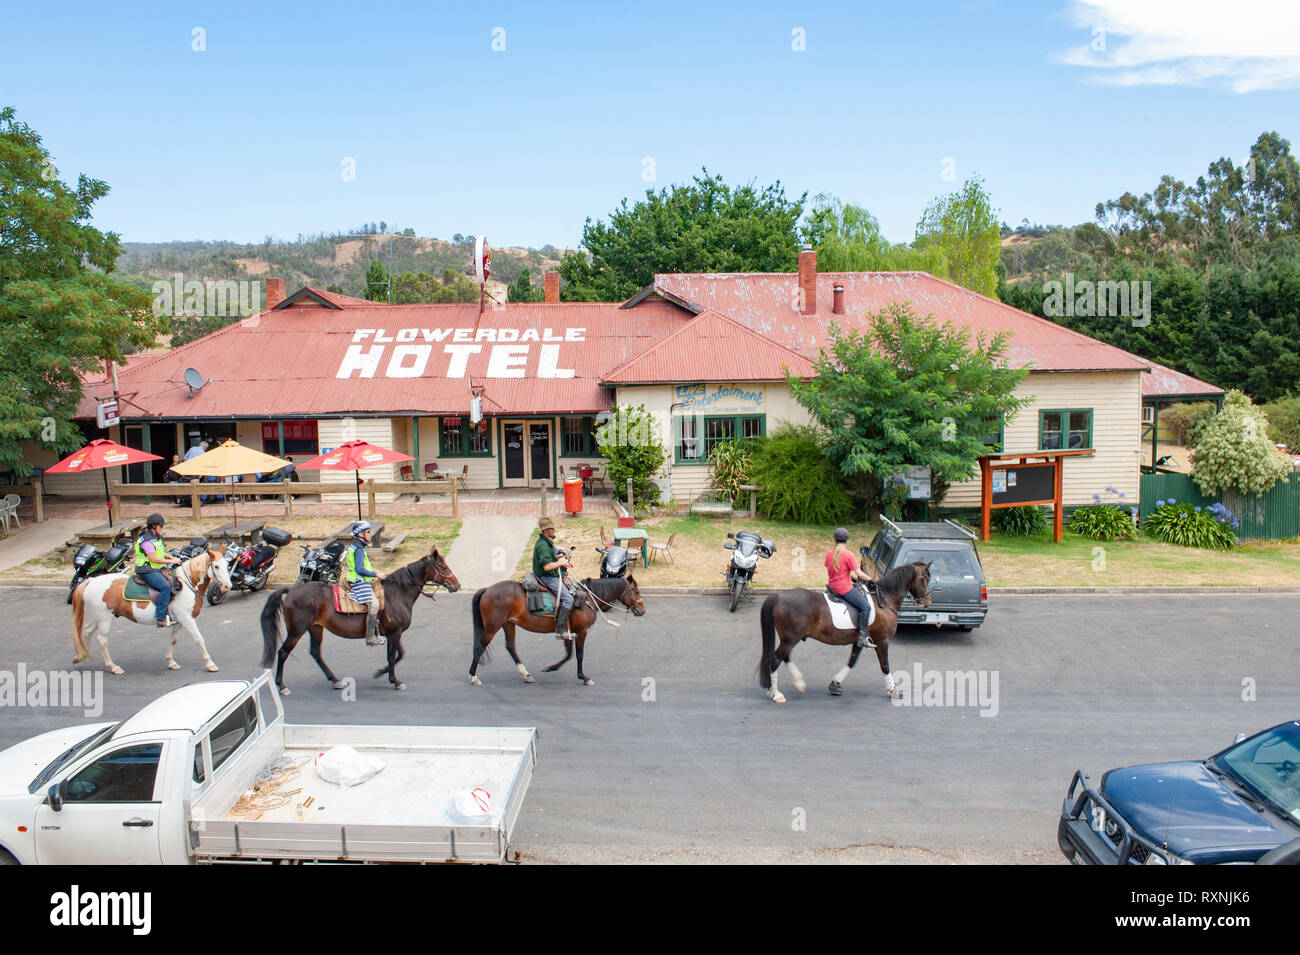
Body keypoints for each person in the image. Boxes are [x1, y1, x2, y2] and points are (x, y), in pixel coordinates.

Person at [825, 527, 876, 649]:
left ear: (835, 539)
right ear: (847, 540)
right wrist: (871, 580)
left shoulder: (829, 553)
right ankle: (862, 638)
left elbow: (834, 571)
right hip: (844, 589)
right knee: (866, 607)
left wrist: (849, 576)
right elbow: (860, 574)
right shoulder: (849, 555)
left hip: (832, 586)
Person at [134, 513, 183, 628]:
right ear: (154, 526)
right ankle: (160, 618)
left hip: (154, 567)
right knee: (165, 587)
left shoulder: (155, 538)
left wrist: (170, 557)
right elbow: (153, 558)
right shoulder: (146, 541)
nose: (162, 528)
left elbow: (159, 552)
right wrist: (171, 562)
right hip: (145, 569)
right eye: (161, 526)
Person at [532, 516, 574, 639]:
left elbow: (550, 559)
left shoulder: (546, 542)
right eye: (550, 528)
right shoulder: (543, 546)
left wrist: (558, 557)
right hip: (547, 577)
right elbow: (546, 566)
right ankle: (560, 630)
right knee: (568, 599)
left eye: (552, 528)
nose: (553, 530)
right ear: (544, 530)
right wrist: (560, 563)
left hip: (551, 573)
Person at [343, 521, 384, 647]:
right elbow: (360, 569)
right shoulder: (359, 549)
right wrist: (375, 574)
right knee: (375, 605)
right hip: (359, 581)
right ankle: (370, 637)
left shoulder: (355, 546)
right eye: (367, 532)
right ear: (360, 534)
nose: (370, 534)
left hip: (358, 578)